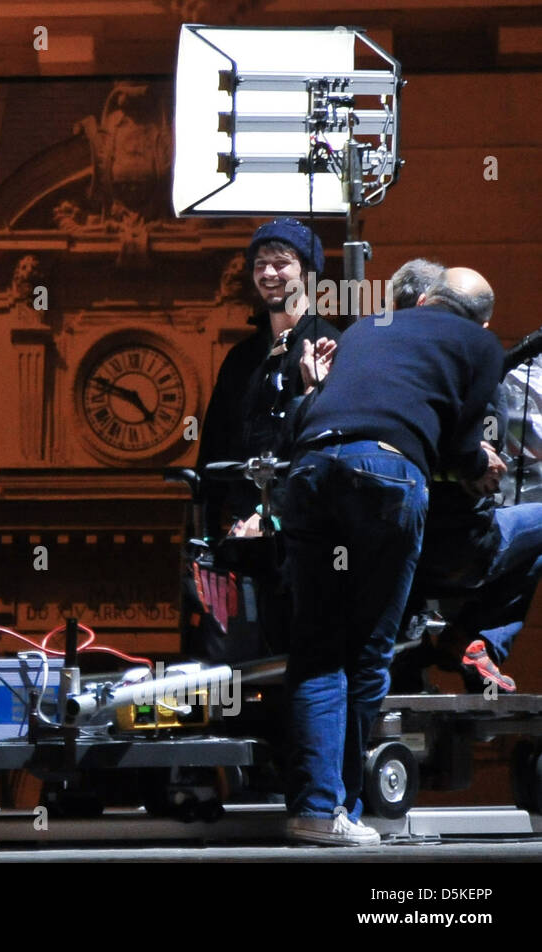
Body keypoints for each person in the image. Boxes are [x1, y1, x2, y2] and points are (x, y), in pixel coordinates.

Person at [279, 268, 505, 846]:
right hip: (383, 474)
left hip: (309, 472)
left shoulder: (366, 326)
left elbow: (308, 418)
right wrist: (479, 465)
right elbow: (456, 443)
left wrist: (311, 391)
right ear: (482, 320)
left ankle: (313, 808)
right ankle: (341, 811)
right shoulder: (481, 344)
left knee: (316, 648)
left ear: (425, 300)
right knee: (367, 652)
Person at [197, 217, 340, 537]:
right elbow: (215, 441)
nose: (268, 273)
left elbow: (324, 448)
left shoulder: (329, 346)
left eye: (281, 263)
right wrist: (205, 522)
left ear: (307, 271)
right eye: (260, 264)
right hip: (238, 526)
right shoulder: (241, 357)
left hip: (301, 525)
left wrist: (273, 511)